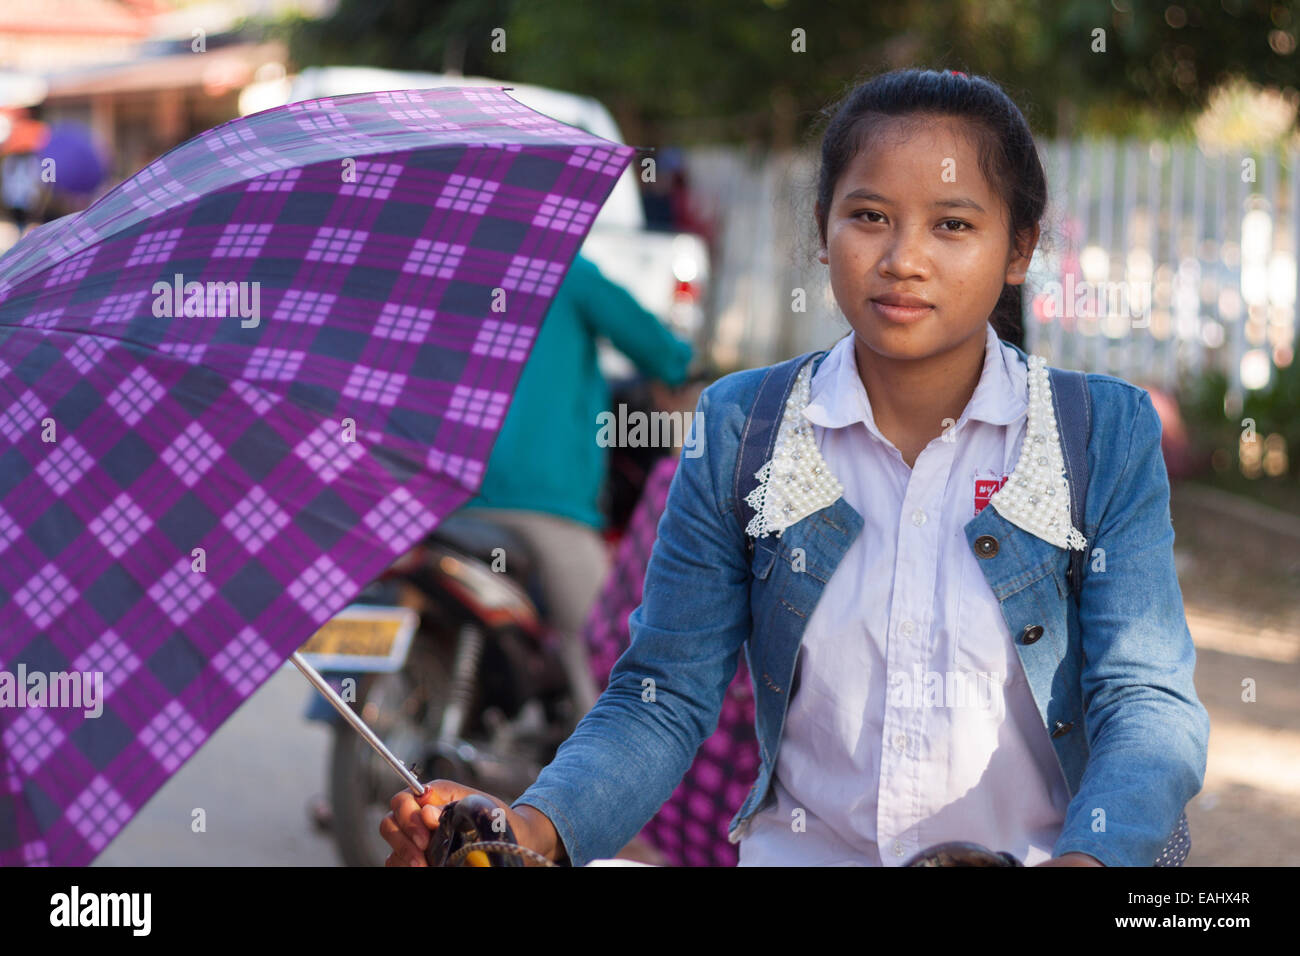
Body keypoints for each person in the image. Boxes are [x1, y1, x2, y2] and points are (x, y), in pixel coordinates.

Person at [381, 68, 1210, 867]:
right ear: (824, 230)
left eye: (953, 224)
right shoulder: (745, 430)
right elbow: (664, 696)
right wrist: (529, 825)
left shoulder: (1098, 433)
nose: (903, 258)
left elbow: (1148, 704)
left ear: (1018, 248)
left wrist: (1091, 859)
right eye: (870, 216)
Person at [457, 251, 693, 718]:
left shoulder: (457, 272)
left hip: (453, 498)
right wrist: (683, 366)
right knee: (607, 650)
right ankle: (612, 779)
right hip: (547, 502)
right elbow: (662, 350)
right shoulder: (567, 270)